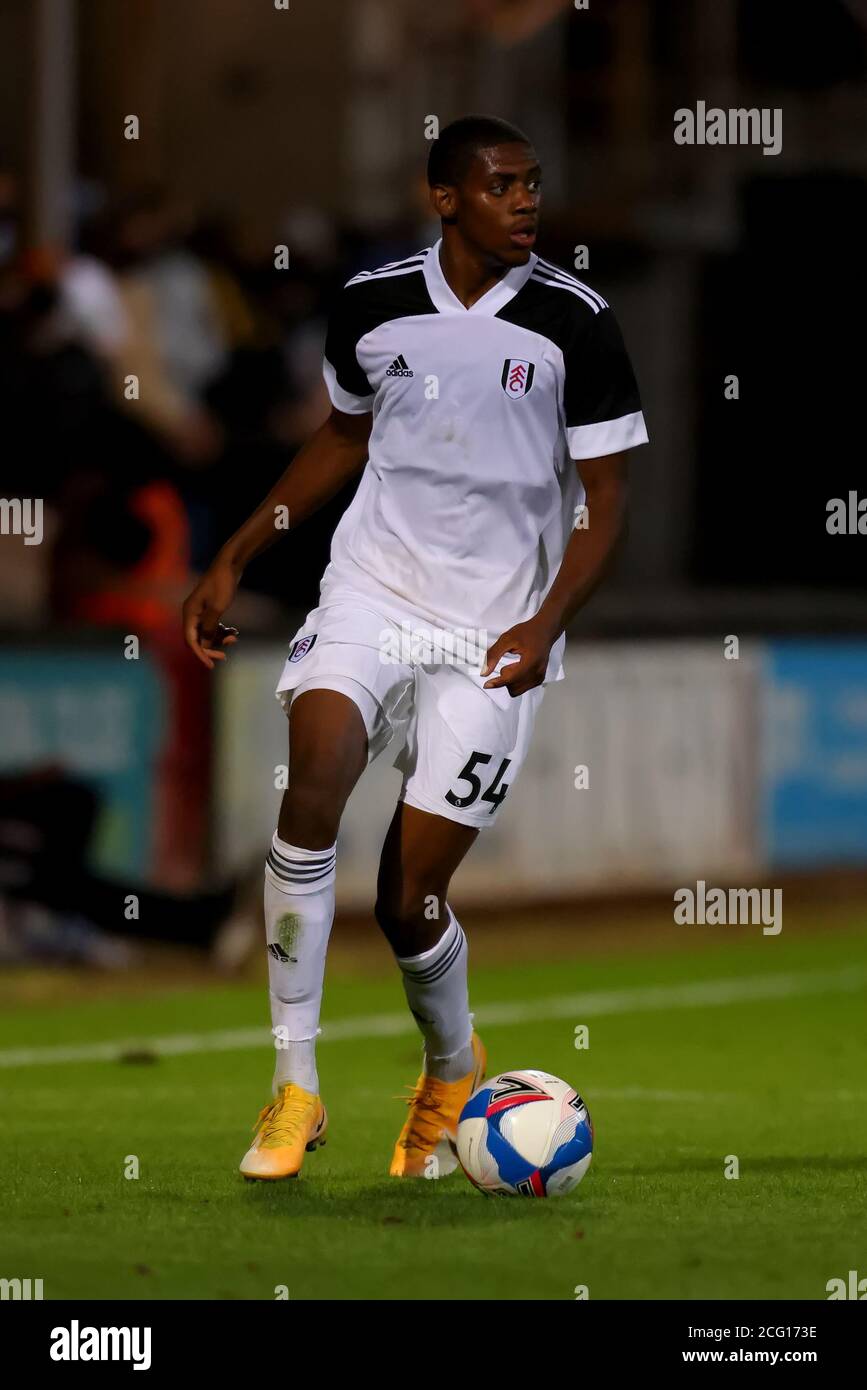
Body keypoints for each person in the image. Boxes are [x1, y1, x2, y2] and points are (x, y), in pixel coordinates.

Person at [182, 115, 649, 1182]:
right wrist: (240, 553)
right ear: (445, 197)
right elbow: (345, 433)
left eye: (533, 183)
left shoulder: (578, 323)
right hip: (373, 590)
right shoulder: (373, 303)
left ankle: (451, 1064)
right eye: (501, 185)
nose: (526, 200)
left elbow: (608, 504)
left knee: (408, 902)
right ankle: (295, 1086)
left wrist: (545, 624)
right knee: (314, 783)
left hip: (494, 632)